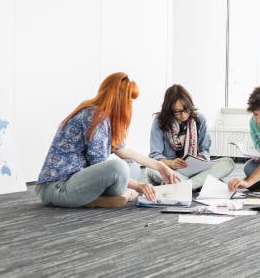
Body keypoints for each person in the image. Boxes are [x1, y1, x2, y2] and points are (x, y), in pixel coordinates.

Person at [36, 72, 180, 208]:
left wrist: (162, 167)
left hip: (72, 183)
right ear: (120, 99)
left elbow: (124, 151)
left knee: (132, 166)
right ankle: (108, 197)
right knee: (119, 167)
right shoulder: (95, 117)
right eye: (129, 100)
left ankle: (98, 198)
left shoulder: (100, 114)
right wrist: (138, 187)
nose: (130, 105)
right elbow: (100, 164)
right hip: (58, 188)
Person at [147, 84, 234, 190]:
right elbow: (155, 156)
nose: (183, 115)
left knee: (227, 163)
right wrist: (172, 164)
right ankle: (197, 184)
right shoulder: (159, 121)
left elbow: (205, 152)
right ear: (169, 110)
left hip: (195, 172)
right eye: (178, 112)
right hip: (171, 170)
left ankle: (183, 185)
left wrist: (197, 162)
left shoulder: (200, 119)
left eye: (186, 109)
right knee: (151, 170)